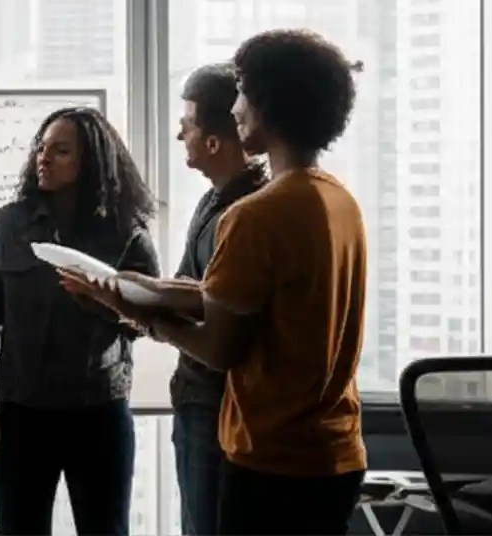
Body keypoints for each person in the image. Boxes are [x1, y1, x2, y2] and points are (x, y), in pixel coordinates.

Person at [68, 29, 367, 535]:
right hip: (335, 451)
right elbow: (259, 303)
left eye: (243, 93)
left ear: (270, 106)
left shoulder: (256, 216)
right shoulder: (339, 200)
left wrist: (140, 314)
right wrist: (155, 289)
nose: (235, 109)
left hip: (271, 457)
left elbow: (220, 348)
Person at [0, 106, 160, 536]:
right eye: (41, 148)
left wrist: (101, 301)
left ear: (91, 161)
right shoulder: (10, 224)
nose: (44, 158)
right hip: (22, 414)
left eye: (61, 150)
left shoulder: (126, 232)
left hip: (98, 412)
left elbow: (150, 322)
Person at [167, 63, 267, 535]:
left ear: (212, 142)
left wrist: (146, 312)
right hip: (197, 398)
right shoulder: (212, 201)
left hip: (220, 405)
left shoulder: (249, 212)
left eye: (186, 125)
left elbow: (217, 314)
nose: (178, 135)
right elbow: (189, 285)